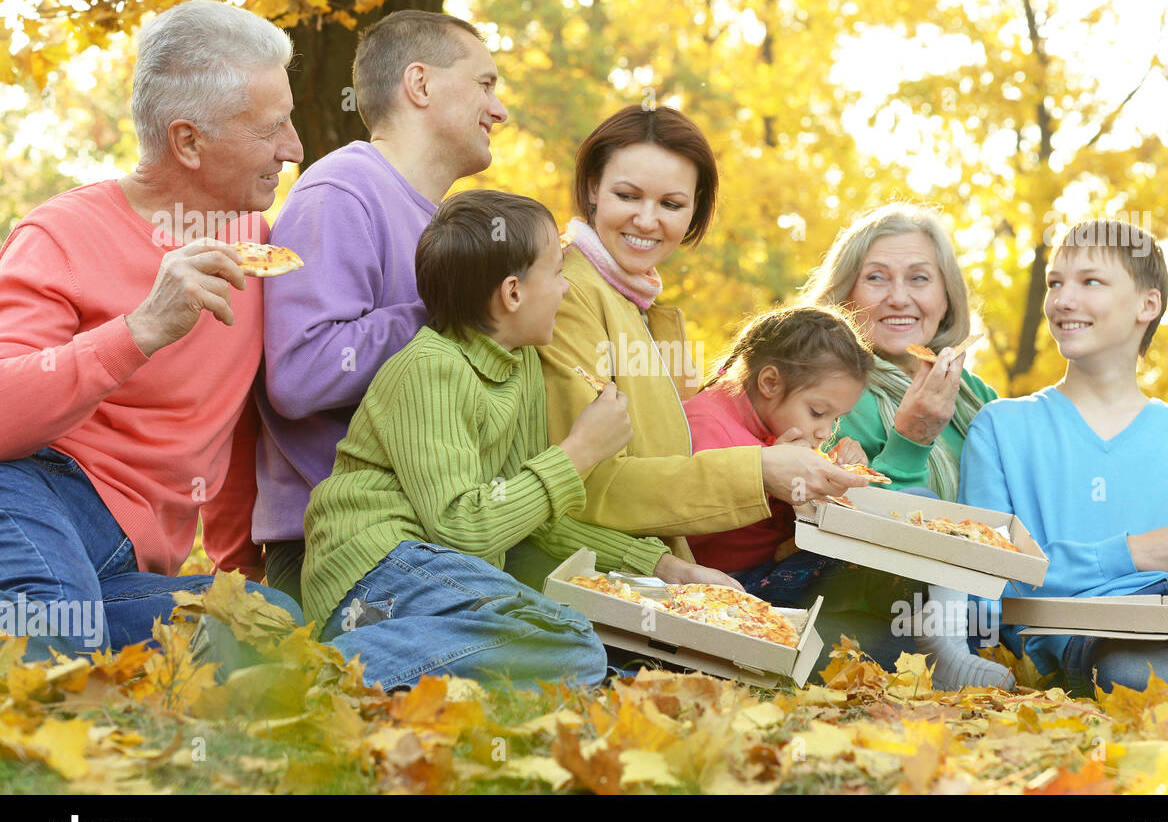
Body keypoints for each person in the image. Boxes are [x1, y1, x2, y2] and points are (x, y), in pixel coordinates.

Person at [507, 105, 885, 663]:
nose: (647, 220)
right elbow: (584, 485)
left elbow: (672, 461)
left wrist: (783, 460)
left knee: (876, 625)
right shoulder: (569, 299)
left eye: (671, 204)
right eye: (628, 196)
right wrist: (760, 471)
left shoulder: (643, 305)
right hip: (602, 592)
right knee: (867, 645)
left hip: (664, 580)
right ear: (592, 190)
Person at [0, 0, 304, 660]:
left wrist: (236, 571)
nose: (294, 149)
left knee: (266, 622)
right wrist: (138, 330)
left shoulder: (258, 245)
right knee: (52, 630)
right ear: (189, 141)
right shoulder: (59, 234)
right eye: (272, 128)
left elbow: (234, 423)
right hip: (36, 490)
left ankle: (56, 635)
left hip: (126, 563)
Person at [301, 190, 674, 689]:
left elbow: (527, 523)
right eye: (558, 274)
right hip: (377, 568)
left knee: (577, 651)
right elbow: (460, 524)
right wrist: (579, 452)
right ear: (513, 293)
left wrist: (659, 565)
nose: (566, 291)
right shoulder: (432, 368)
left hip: (440, 582)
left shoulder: (520, 369)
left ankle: (371, 670)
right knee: (570, 641)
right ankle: (314, 675)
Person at [960, 219, 1168, 706]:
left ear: (1148, 304)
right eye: (1056, 283)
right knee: (1133, 670)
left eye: (1089, 281)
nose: (1062, 300)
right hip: (1103, 645)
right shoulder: (1001, 428)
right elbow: (985, 588)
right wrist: (1130, 554)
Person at [255, 10, 508, 604]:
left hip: (424, 538)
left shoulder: (443, 224)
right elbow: (299, 373)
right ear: (419, 85)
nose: (500, 110)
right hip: (336, 547)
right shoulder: (343, 188)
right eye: (485, 84)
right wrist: (446, 310)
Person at [801, 204, 1009, 688]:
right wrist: (910, 441)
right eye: (876, 278)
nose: (899, 298)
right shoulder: (824, 388)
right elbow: (844, 524)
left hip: (982, 616)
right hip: (864, 611)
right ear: (845, 294)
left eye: (919, 278)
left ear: (946, 296)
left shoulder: (979, 398)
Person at [684, 305, 917, 610]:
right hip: (729, 582)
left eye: (835, 418)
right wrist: (764, 478)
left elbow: (800, 508)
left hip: (777, 562)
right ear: (770, 382)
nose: (825, 431)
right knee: (881, 558)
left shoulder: (777, 420)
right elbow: (684, 532)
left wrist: (835, 470)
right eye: (818, 413)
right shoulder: (708, 425)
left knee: (911, 510)